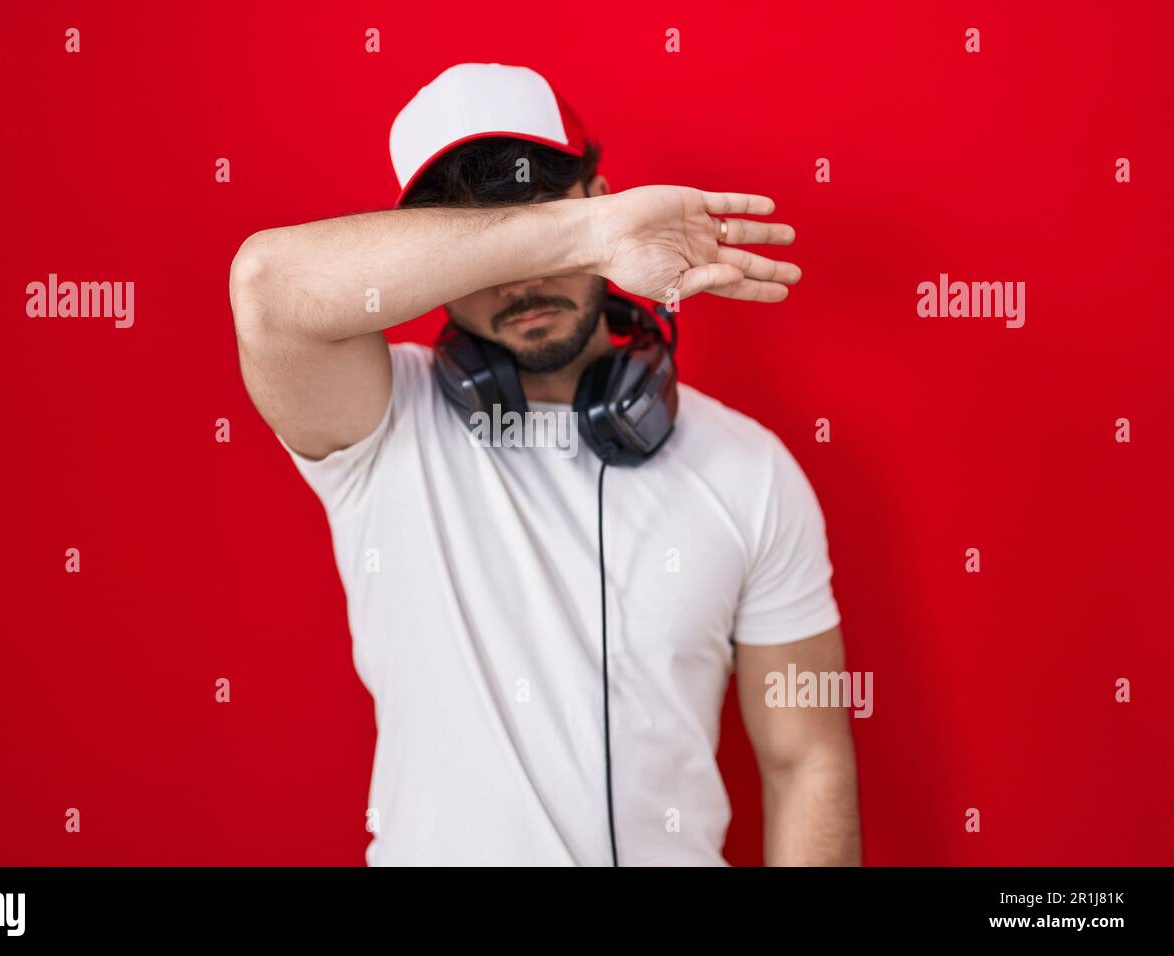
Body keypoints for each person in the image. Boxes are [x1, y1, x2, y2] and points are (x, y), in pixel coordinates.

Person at [230, 62, 861, 866]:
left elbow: (806, 764)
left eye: (543, 211)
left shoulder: (750, 469)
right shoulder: (379, 427)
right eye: (477, 240)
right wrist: (578, 235)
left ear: (602, 196)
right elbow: (266, 287)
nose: (523, 281)